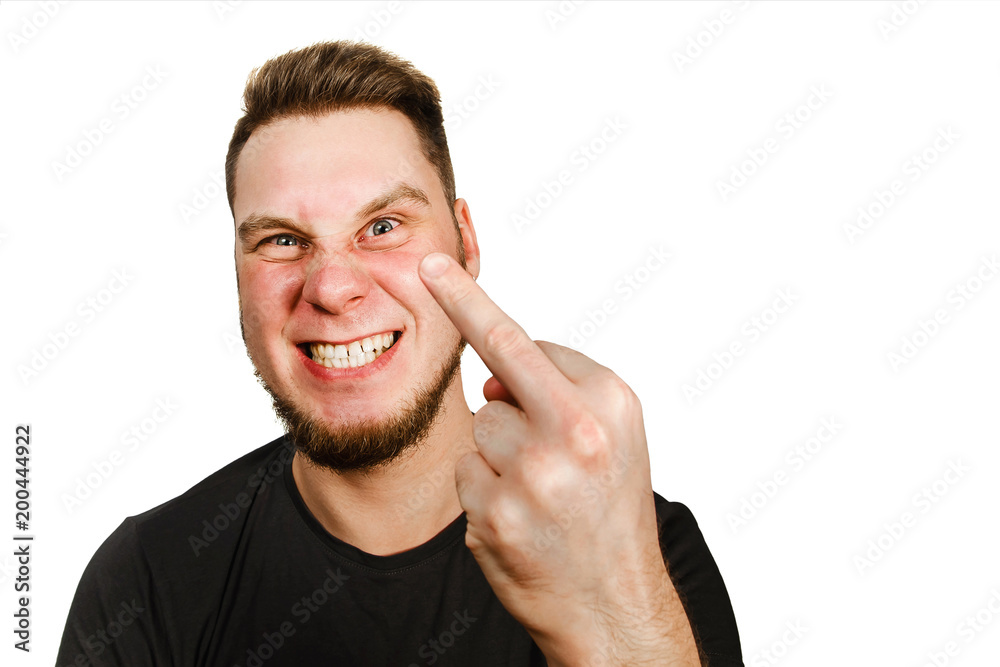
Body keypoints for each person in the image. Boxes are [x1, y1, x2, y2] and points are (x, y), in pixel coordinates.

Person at [57, 40, 743, 666]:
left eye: (383, 226)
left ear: (465, 243)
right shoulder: (146, 578)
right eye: (281, 241)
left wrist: (615, 628)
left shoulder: (634, 545)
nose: (331, 287)